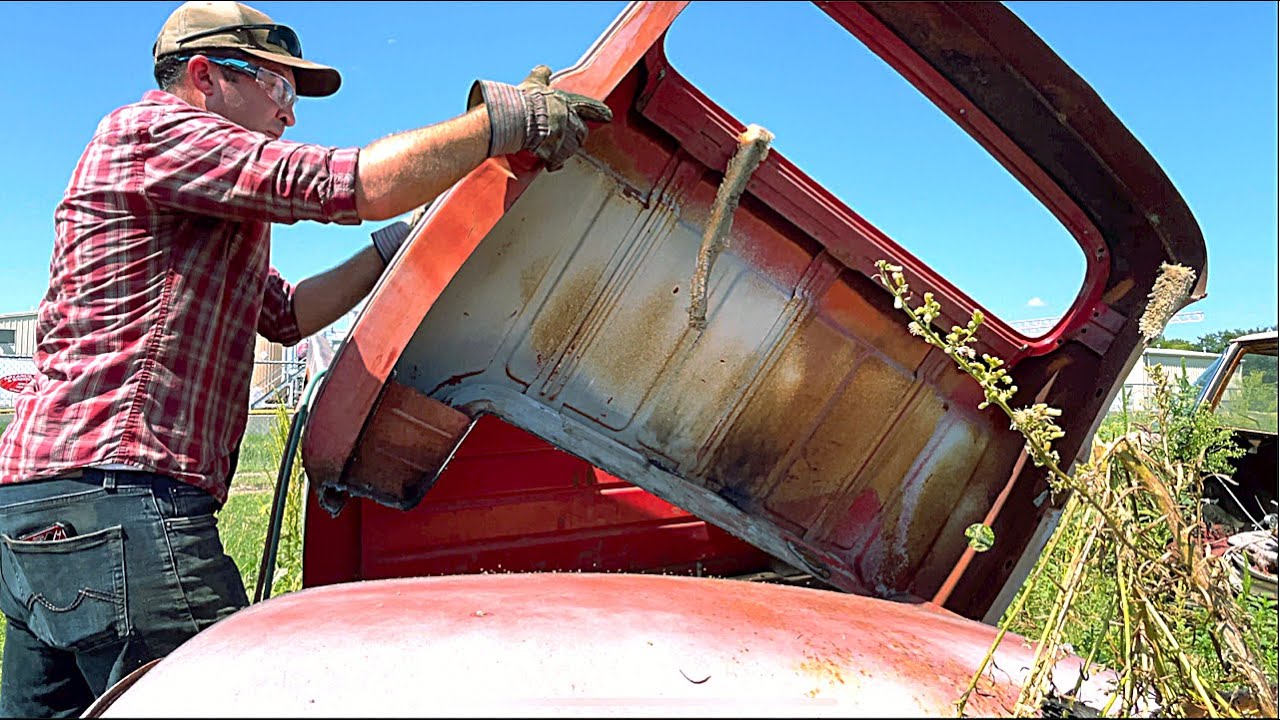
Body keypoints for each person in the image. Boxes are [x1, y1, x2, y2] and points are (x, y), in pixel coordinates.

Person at [0, 1, 612, 716]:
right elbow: (342, 184)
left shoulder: (197, 209)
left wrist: (401, 244)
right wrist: (500, 125)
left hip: (43, 510)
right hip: (122, 502)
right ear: (205, 76)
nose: (290, 115)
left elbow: (286, 315)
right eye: (279, 89)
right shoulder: (154, 133)